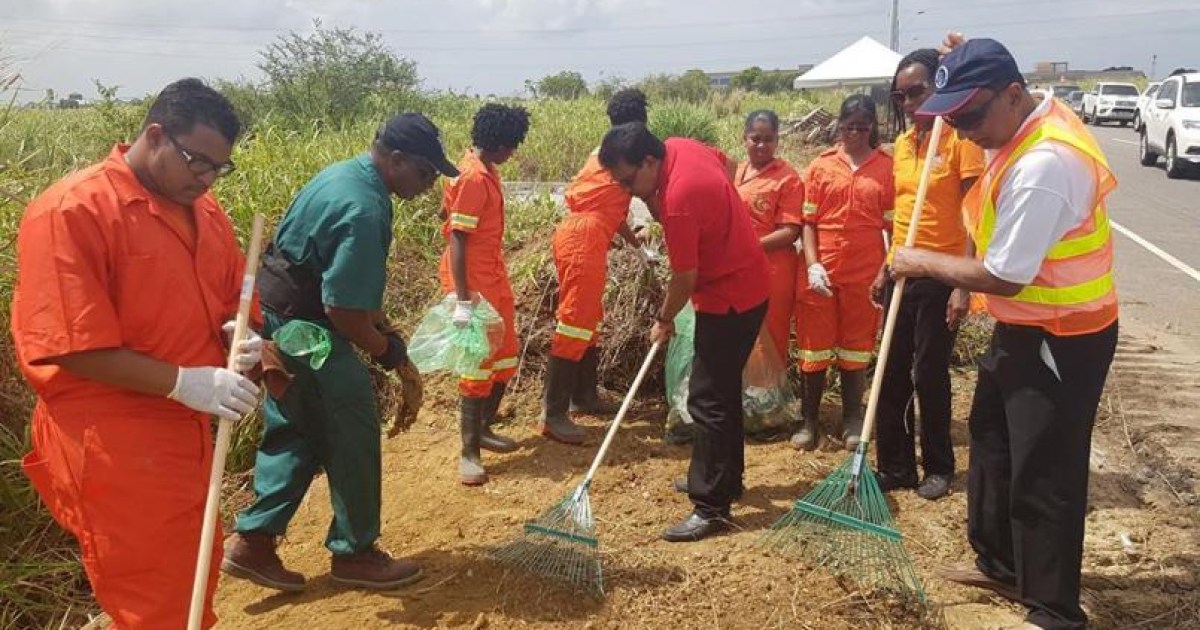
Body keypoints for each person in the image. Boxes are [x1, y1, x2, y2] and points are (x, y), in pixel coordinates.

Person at [12, 78, 261, 629]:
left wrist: (236, 334)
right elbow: (70, 346)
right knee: (155, 600)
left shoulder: (205, 210)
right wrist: (184, 382)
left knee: (196, 573)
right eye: (199, 162)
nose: (208, 178)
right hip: (118, 443)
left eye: (220, 168)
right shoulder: (72, 211)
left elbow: (228, 295)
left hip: (190, 434)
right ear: (155, 135)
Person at [891, 37, 1119, 630]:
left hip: (1063, 334)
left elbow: (1005, 275)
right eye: (954, 117)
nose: (963, 132)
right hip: (1022, 328)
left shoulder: (1046, 164)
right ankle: (1000, 562)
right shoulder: (1016, 119)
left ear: (1015, 95)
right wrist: (961, 57)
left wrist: (919, 260)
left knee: (1044, 469)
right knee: (992, 447)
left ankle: (1053, 609)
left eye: (972, 116)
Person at [225, 113, 456, 592]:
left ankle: (254, 542)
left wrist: (376, 322)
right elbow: (343, 308)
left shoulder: (343, 174)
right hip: (310, 331)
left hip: (282, 320)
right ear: (395, 160)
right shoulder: (365, 208)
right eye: (426, 173)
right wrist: (388, 352)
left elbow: (342, 283)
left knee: (297, 427)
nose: (429, 184)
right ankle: (355, 554)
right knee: (351, 425)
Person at [599, 123, 769, 542]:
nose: (628, 191)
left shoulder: (679, 200)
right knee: (723, 392)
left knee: (707, 398)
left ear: (650, 161)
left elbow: (684, 276)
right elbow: (725, 164)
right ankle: (724, 478)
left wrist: (663, 317)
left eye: (629, 180)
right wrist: (719, 217)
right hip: (749, 283)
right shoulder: (681, 147)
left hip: (730, 296)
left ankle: (711, 506)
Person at [871, 48, 985, 500]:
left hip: (943, 272)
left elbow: (976, 215)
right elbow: (903, 215)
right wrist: (887, 266)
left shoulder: (960, 141)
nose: (909, 102)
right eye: (900, 96)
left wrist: (962, 284)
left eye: (917, 91)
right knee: (892, 368)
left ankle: (938, 465)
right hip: (904, 271)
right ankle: (895, 466)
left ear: (937, 87)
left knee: (929, 372)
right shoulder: (901, 146)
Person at [543, 89, 649, 444]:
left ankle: (583, 396)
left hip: (585, 234)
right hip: (582, 237)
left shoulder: (605, 153)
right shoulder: (621, 156)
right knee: (574, 320)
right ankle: (553, 414)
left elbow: (613, 212)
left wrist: (637, 247)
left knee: (587, 318)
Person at [793, 95, 894, 451]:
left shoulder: (886, 168)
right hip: (821, 274)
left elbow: (893, 230)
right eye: (848, 126)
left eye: (862, 128)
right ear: (839, 126)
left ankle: (852, 417)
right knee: (814, 348)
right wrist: (812, 264)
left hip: (865, 274)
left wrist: (885, 271)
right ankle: (809, 421)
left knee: (856, 348)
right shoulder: (820, 167)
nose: (854, 134)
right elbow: (808, 222)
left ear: (872, 128)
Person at [440, 103, 531, 486]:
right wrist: (462, 300)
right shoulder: (474, 178)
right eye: (511, 146)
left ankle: (484, 430)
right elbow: (458, 238)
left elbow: (446, 216)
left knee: (504, 356)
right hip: (474, 284)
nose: (513, 153)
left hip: (493, 277)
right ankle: (469, 453)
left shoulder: (481, 170)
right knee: (477, 368)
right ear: (496, 143)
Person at [733, 109, 804, 442]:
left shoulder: (788, 177)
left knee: (772, 336)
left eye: (769, 139)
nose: (762, 145)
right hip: (739, 267)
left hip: (773, 268)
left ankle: (772, 413)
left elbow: (790, 231)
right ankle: (748, 407)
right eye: (755, 138)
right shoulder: (739, 172)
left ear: (778, 140)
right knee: (743, 338)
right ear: (744, 138)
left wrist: (748, 248)